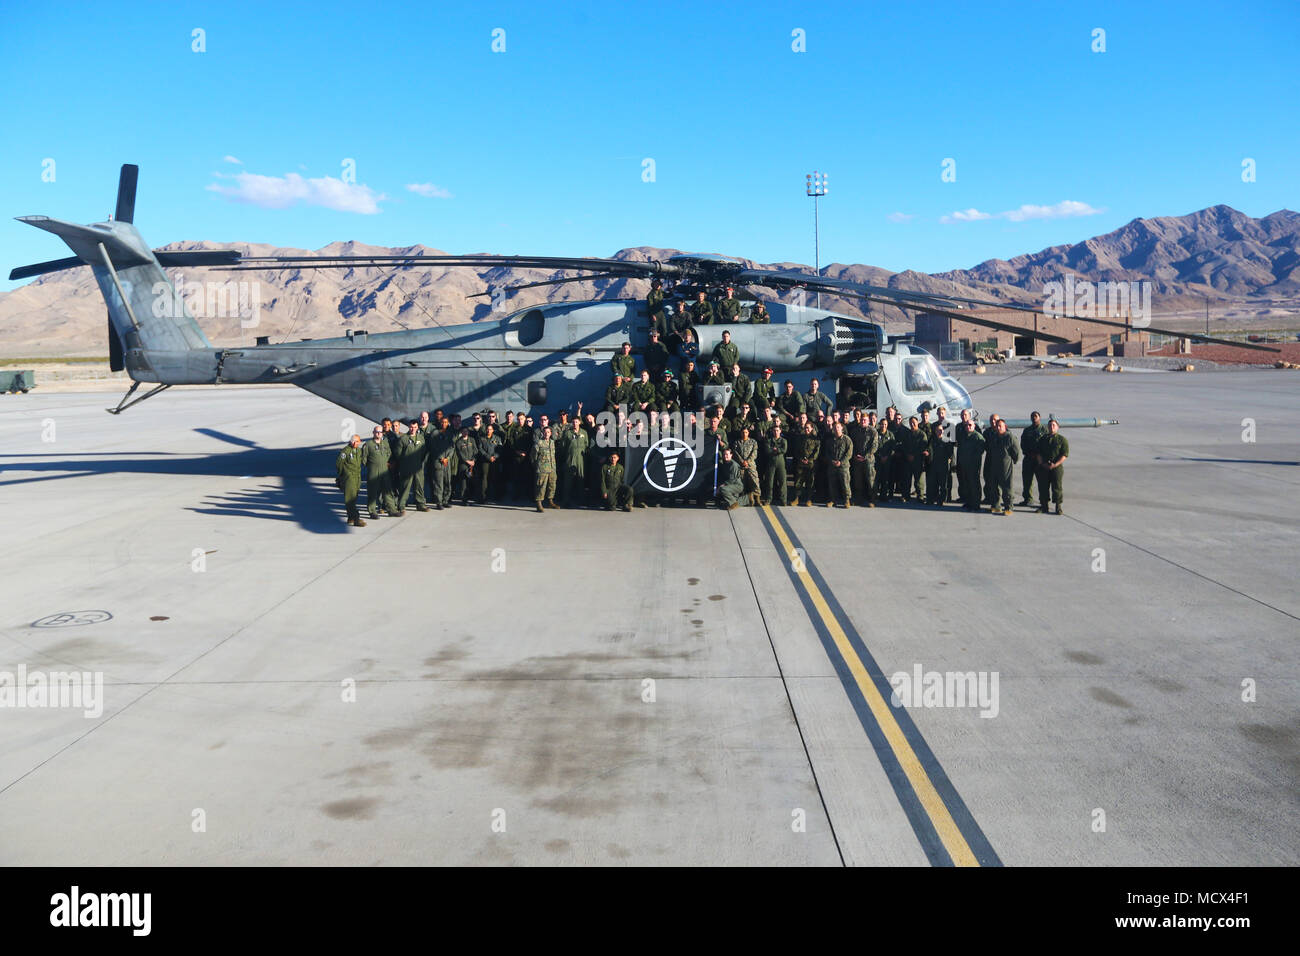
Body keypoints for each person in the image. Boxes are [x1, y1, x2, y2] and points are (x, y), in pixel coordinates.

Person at [361, 425, 399, 519]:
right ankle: (372, 511)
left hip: (384, 471)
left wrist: (385, 461)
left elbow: (389, 453)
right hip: (373, 471)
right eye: (377, 432)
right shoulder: (368, 444)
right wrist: (372, 465)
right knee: (372, 492)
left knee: (388, 491)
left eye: (380, 432)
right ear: (373, 433)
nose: (379, 434)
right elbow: (364, 459)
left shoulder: (385, 443)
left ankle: (392, 510)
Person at [985, 419, 1020, 514]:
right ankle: (996, 506)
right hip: (994, 465)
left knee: (1007, 487)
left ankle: (1008, 507)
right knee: (994, 487)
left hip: (1005, 466)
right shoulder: (994, 437)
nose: (999, 427)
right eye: (997, 426)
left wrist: (1014, 461)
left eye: (1001, 426)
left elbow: (1016, 452)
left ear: (1005, 427)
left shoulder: (1010, 437)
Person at [1035, 419, 1069, 514]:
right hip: (1044, 467)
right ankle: (1044, 506)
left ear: (1057, 427)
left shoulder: (1062, 440)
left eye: (1054, 425)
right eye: (1050, 425)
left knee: (1057, 487)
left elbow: (1064, 454)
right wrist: (1042, 464)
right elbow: (1038, 453)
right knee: (1043, 487)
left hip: (1056, 468)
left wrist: (1055, 464)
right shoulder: (1042, 439)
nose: (1051, 427)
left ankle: (1058, 506)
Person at [396, 421, 429, 512]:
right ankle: (401, 505)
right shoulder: (403, 439)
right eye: (411, 427)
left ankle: (420, 504)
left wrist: (421, 462)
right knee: (405, 487)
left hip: (418, 467)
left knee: (419, 487)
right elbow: (398, 454)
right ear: (408, 427)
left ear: (417, 427)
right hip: (406, 468)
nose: (413, 429)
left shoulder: (421, 438)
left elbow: (424, 452)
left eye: (414, 427)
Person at [335, 434, 366, 527]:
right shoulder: (346, 451)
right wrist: (343, 475)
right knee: (350, 499)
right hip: (349, 478)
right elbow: (339, 464)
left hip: (357, 477)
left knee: (354, 497)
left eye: (358, 441)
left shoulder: (359, 451)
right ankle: (356, 518)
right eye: (356, 441)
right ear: (352, 441)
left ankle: (350, 517)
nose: (357, 443)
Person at [1019, 411, 1048, 507]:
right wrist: (1028, 453)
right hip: (1028, 459)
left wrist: (1041, 456)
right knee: (1027, 480)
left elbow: (1047, 444)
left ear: (1039, 417)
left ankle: (1043, 501)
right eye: (1032, 416)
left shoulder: (1044, 430)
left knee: (1042, 481)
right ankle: (1027, 499)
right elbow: (1023, 443)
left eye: (1036, 416)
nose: (1034, 418)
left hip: (1040, 460)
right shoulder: (1027, 430)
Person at [849, 412, 878, 507]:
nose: (863, 421)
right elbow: (851, 445)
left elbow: (874, 446)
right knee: (858, 480)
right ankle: (858, 498)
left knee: (870, 480)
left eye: (865, 420)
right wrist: (854, 455)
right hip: (857, 459)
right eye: (861, 420)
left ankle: (872, 499)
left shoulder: (872, 431)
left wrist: (865, 456)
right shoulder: (855, 431)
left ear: (868, 421)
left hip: (868, 460)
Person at [956, 420, 985, 511]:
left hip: (973, 466)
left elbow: (979, 452)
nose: (968, 427)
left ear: (974, 426)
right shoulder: (964, 436)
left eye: (970, 425)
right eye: (966, 425)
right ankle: (969, 502)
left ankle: (976, 503)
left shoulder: (978, 437)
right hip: (964, 465)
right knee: (967, 484)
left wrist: (972, 462)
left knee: (974, 484)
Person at [428, 420, 457, 509]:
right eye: (442, 422)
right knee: (438, 482)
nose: (444, 424)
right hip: (438, 461)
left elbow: (452, 447)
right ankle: (439, 502)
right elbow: (433, 447)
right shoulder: (435, 433)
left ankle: (445, 500)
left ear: (448, 423)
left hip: (446, 462)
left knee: (447, 481)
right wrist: (441, 458)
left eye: (445, 422)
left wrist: (447, 458)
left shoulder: (450, 434)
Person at [560, 419, 589, 506]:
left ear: (579, 422)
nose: (575, 423)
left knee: (581, 479)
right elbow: (563, 446)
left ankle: (581, 500)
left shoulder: (584, 432)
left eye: (576, 422)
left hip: (581, 458)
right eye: (573, 422)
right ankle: (566, 501)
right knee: (568, 480)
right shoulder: (568, 433)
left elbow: (586, 445)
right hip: (570, 457)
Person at [925, 425, 954, 506]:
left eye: (941, 430)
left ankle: (941, 500)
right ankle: (930, 499)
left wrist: (949, 460)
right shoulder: (932, 440)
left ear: (943, 431)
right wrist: (927, 453)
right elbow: (928, 448)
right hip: (933, 464)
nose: (939, 431)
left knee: (943, 484)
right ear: (935, 431)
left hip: (943, 465)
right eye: (938, 430)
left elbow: (950, 453)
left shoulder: (947, 440)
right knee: (932, 484)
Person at [531, 425, 558, 512]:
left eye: (548, 432)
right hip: (542, 468)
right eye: (545, 432)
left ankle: (550, 501)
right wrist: (537, 465)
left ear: (550, 433)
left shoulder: (552, 442)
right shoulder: (539, 443)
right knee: (541, 486)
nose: (547, 434)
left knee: (552, 485)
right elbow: (533, 456)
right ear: (542, 433)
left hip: (552, 468)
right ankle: (539, 503)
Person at [733, 425, 761, 507]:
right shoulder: (737, 442)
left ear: (748, 433)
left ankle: (757, 498)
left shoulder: (753, 442)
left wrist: (747, 462)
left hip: (750, 465)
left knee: (755, 481)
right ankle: (746, 500)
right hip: (740, 465)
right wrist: (742, 461)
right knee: (741, 483)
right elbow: (735, 453)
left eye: (746, 432)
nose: (744, 434)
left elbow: (754, 453)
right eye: (743, 432)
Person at [827, 421, 853, 507]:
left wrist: (841, 462)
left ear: (842, 428)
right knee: (832, 484)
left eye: (838, 427)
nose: (836, 429)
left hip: (844, 466)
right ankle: (833, 500)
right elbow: (827, 453)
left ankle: (847, 500)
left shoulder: (847, 440)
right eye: (834, 428)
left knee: (845, 484)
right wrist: (832, 461)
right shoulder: (830, 440)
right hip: (833, 465)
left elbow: (849, 453)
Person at [762, 422, 788, 505]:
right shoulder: (769, 440)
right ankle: (768, 498)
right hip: (771, 462)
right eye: (774, 430)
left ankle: (783, 499)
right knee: (769, 481)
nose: (776, 432)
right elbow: (767, 450)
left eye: (777, 430)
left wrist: (776, 450)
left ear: (780, 431)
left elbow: (784, 450)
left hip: (781, 462)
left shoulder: (783, 440)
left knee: (782, 481)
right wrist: (776, 450)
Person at [795, 422, 820, 506]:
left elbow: (816, 452)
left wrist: (809, 460)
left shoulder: (816, 439)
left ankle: (809, 499)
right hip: (801, 463)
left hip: (811, 464)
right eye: (805, 428)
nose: (807, 429)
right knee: (799, 481)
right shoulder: (800, 438)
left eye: (808, 428)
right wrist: (801, 459)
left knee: (810, 482)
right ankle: (797, 498)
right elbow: (797, 450)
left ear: (812, 428)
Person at [453, 428, 478, 506]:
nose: (465, 433)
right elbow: (460, 454)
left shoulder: (472, 440)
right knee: (464, 483)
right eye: (463, 431)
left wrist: (473, 460)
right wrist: (467, 461)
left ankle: (473, 497)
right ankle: (464, 500)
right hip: (463, 465)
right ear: (461, 432)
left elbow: (476, 450)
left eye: (466, 431)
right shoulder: (459, 442)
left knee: (472, 481)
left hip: (473, 464)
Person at [477, 423, 502, 503]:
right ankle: (483, 497)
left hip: (495, 461)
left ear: (493, 430)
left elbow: (500, 449)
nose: (488, 430)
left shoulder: (497, 438)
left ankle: (496, 496)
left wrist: (494, 457)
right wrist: (488, 457)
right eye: (487, 429)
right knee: (484, 478)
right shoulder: (481, 438)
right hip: (485, 461)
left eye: (490, 429)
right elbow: (480, 449)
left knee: (495, 478)